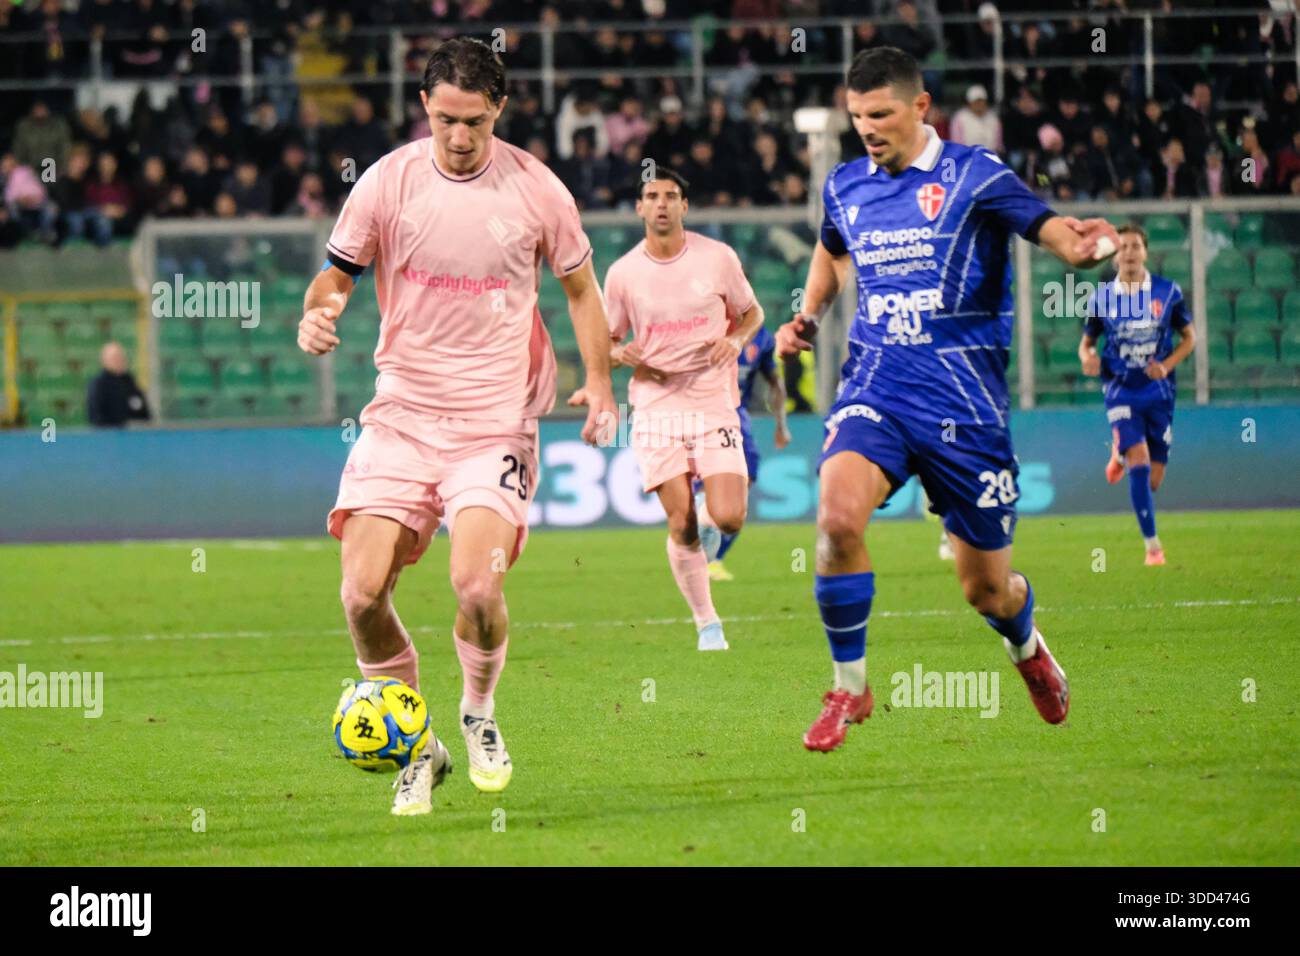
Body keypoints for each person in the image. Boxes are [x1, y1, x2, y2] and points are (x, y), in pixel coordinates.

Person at [297, 38, 616, 816]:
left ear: (499, 109)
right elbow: (337, 274)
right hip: (402, 414)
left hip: (495, 420)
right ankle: (418, 747)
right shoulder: (387, 182)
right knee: (360, 593)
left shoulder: (538, 191)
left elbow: (581, 290)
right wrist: (320, 311)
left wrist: (602, 385)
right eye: (445, 119)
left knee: (476, 582)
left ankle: (478, 712)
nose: (460, 137)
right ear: (425, 108)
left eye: (474, 120)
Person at [776, 47, 1120, 752]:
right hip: (878, 386)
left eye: (881, 114)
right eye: (857, 116)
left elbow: (1046, 226)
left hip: (966, 409)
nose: (867, 128)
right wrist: (809, 313)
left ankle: (1026, 647)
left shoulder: (973, 175)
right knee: (838, 518)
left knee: (987, 592)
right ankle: (850, 685)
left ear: (921, 107)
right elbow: (834, 250)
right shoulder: (844, 185)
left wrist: (1081, 250)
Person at [601, 168, 764, 651]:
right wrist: (620, 354)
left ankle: (710, 525)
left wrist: (734, 340)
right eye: (652, 196)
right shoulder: (624, 273)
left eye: (672, 196)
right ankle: (707, 622)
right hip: (655, 405)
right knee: (681, 523)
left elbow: (753, 314)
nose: (662, 204)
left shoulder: (718, 258)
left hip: (712, 399)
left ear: (685, 207)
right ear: (639, 208)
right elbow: (604, 344)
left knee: (730, 517)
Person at [1079, 224, 1194, 566]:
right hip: (1120, 387)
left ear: (1146, 252)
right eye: (1122, 248)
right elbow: (1086, 343)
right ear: (1115, 257)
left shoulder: (1167, 292)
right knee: (1140, 461)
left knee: (1153, 479)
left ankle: (1118, 453)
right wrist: (1088, 358)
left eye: (1134, 247)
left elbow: (1189, 338)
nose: (1128, 253)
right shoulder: (1101, 297)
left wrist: (1168, 363)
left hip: (1158, 390)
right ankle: (1152, 547)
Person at [700, 322, 790, 582]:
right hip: (699, 410)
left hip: (736, 415)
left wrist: (781, 424)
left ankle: (714, 559)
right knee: (701, 488)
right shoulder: (706, 323)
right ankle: (695, 552)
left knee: (745, 481)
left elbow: (775, 382)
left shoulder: (761, 336)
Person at [87, 341, 150, 427]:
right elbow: (96, 416)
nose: (119, 360)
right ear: (104, 360)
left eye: (121, 357)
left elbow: (144, 412)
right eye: (114, 358)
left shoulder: (130, 382)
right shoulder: (99, 384)